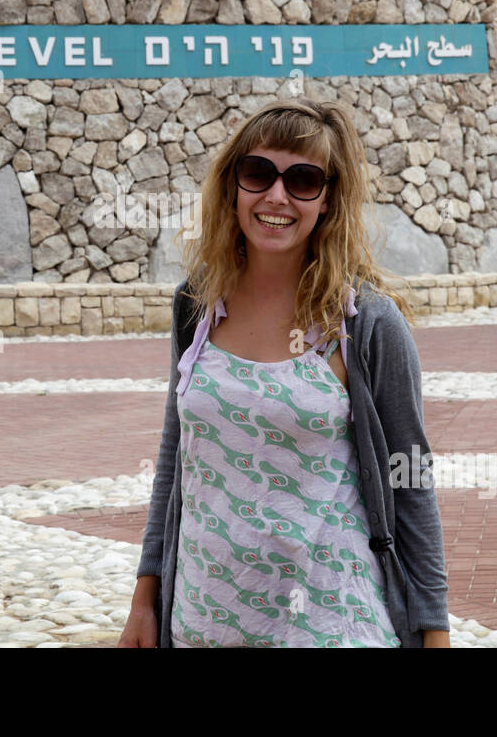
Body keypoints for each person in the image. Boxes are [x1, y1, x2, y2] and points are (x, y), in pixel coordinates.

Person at [118, 96, 450, 648]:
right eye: (258, 174)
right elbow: (176, 461)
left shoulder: (367, 324)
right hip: (202, 625)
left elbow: (410, 483)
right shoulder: (197, 304)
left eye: (303, 180)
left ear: (329, 200)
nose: (277, 196)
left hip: (329, 629)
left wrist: (436, 638)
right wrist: (144, 601)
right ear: (232, 186)